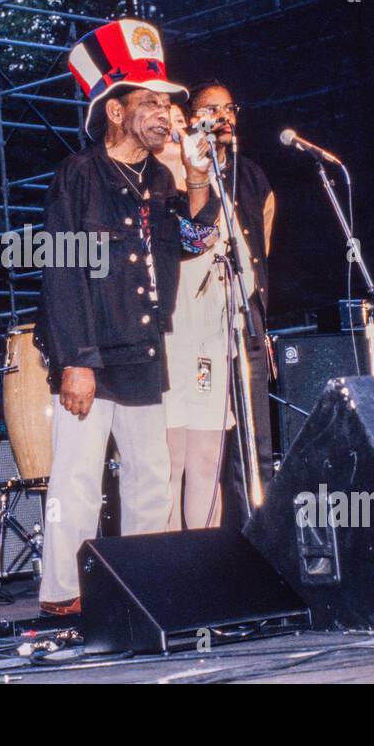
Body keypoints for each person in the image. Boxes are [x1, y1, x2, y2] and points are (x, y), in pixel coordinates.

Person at [35, 20, 217, 616]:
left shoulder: (162, 179)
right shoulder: (79, 175)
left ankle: (146, 591)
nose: (165, 112)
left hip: (143, 351)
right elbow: (62, 274)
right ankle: (64, 596)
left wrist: (195, 178)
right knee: (78, 481)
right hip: (91, 353)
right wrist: (76, 363)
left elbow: (194, 241)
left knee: (150, 480)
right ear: (115, 111)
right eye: (151, 102)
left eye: (167, 102)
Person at [187, 80, 278, 528]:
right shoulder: (176, 172)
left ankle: (260, 536)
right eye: (211, 109)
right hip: (197, 329)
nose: (224, 117)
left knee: (256, 441)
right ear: (191, 118)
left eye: (229, 108)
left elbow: (258, 255)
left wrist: (260, 321)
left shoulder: (254, 176)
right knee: (206, 445)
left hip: (246, 324)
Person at [156, 101, 228, 529]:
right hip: (165, 340)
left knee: (206, 461)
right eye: (168, 126)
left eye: (183, 124)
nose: (177, 132)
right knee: (169, 461)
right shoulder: (149, 193)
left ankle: (206, 560)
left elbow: (241, 268)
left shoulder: (215, 190)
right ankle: (166, 566)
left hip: (209, 344)